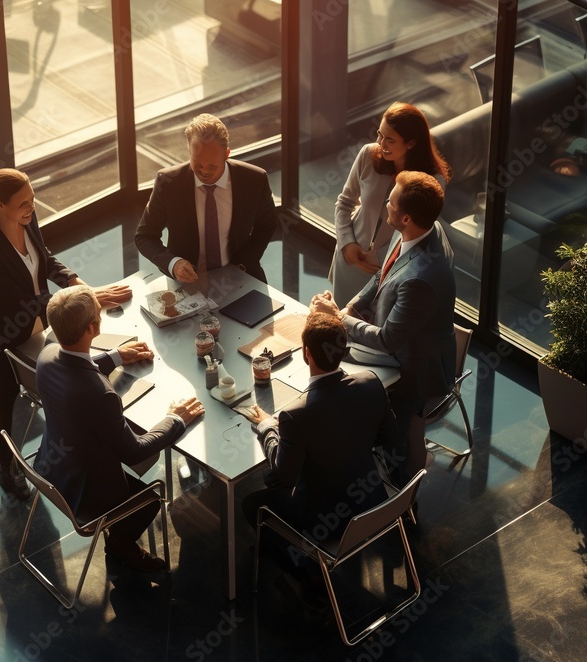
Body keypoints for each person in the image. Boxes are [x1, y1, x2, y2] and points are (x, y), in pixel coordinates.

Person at [0, 168, 132, 500]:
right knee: (6, 392)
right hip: (6, 331)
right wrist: (78, 300)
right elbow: (22, 302)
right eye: (23, 203)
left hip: (41, 317)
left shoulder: (27, 218)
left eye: (32, 199)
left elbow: (45, 260)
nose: (31, 207)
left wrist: (77, 283)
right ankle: (6, 465)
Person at [33, 285, 204, 571]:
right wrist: (175, 419)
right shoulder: (100, 394)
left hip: (52, 470)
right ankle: (119, 544)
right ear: (93, 326)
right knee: (148, 500)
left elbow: (74, 366)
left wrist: (115, 356)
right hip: (88, 493)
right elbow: (134, 452)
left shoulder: (46, 355)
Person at [312, 170, 455, 485]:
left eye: (390, 201)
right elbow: (382, 276)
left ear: (405, 218)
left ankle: (400, 496)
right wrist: (349, 307)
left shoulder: (421, 277)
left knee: (390, 442)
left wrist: (338, 319)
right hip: (408, 343)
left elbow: (388, 339)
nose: (383, 203)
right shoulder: (422, 229)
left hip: (412, 373)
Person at [242, 312, 398, 598]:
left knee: (252, 504)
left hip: (326, 523)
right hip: (373, 504)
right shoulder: (371, 383)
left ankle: (306, 574)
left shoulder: (294, 415)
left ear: (306, 354)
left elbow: (285, 475)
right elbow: (389, 437)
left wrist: (268, 429)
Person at [330, 102, 452, 306]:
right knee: (337, 319)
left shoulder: (432, 181)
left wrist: (382, 258)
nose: (381, 143)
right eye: (380, 134)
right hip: (348, 257)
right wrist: (347, 242)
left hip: (387, 269)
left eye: (390, 139)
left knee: (368, 329)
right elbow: (344, 203)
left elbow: (419, 231)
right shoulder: (368, 154)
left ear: (411, 144)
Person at [135, 113, 278, 284]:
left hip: (242, 276)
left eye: (212, 165)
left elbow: (266, 225)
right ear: (189, 151)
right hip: (187, 284)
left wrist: (242, 265)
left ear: (226, 154)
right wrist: (174, 264)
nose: (204, 171)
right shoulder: (168, 184)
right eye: (198, 163)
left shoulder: (254, 179)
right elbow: (144, 236)